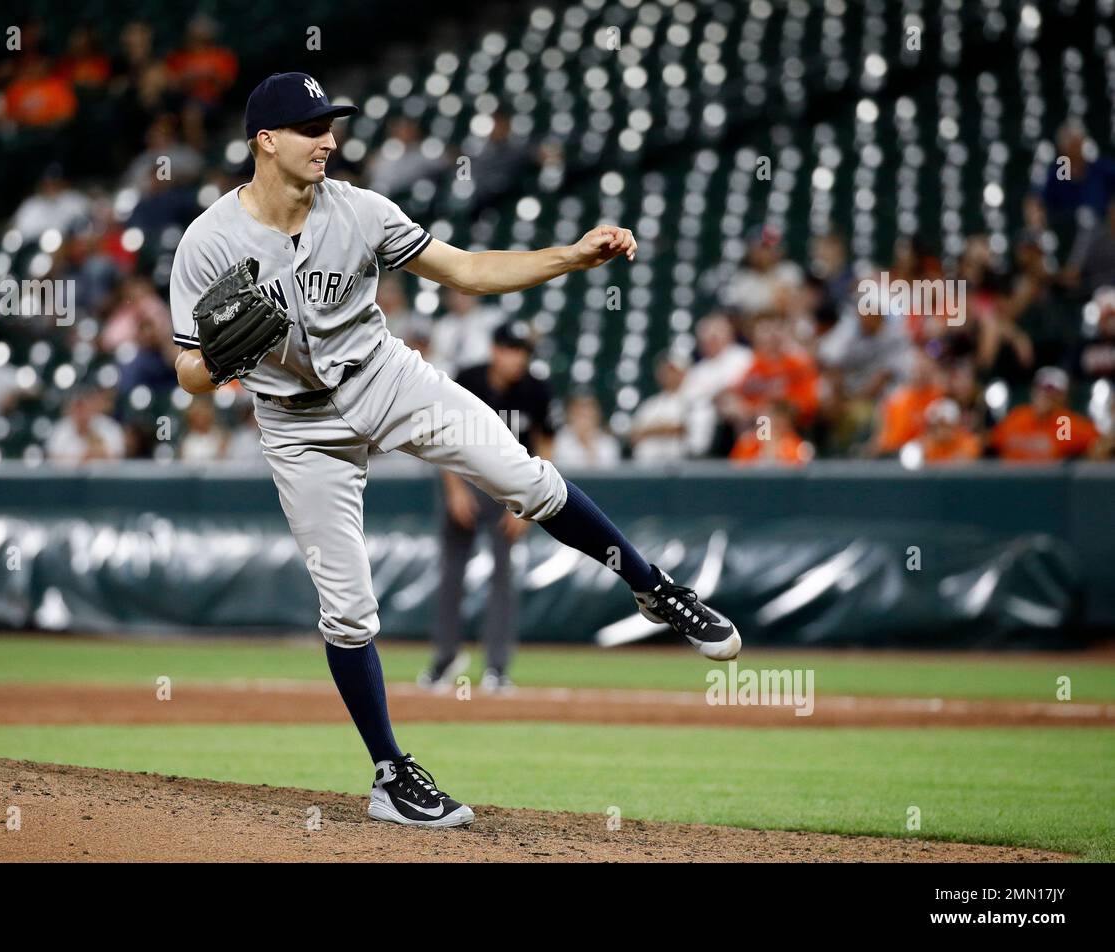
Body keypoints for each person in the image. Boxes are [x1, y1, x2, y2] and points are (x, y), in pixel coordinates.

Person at [168, 72, 741, 830]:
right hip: (296, 421)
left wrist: (568, 258)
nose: (330, 140)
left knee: (522, 476)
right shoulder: (208, 241)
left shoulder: (363, 210)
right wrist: (226, 356)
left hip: (384, 375)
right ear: (265, 141)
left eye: (332, 126)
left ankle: (651, 585)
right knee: (347, 610)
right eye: (313, 129)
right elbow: (187, 372)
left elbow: (466, 267)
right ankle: (390, 774)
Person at [420, 320, 554, 695]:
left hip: (510, 491)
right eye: (511, 350)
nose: (517, 359)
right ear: (495, 350)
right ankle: (446, 659)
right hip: (464, 480)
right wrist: (454, 491)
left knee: (504, 581)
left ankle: (497, 668)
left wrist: (533, 502)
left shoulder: (536, 388)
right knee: (450, 575)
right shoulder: (468, 378)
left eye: (523, 352)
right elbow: (441, 435)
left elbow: (546, 443)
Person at [988, 367, 1099, 462]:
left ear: (1063, 397)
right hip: (1009, 483)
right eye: (1040, 388)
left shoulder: (1065, 423)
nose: (1044, 394)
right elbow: (990, 442)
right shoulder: (1017, 417)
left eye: (1051, 390)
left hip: (1048, 484)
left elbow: (1099, 444)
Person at [630, 346, 716, 462]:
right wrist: (666, 429)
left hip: (685, 467)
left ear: (684, 372)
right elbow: (634, 435)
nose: (667, 374)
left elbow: (696, 439)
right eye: (663, 370)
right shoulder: (650, 404)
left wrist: (652, 431)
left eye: (672, 370)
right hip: (647, 469)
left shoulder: (698, 398)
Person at [553, 392, 620, 467]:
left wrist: (588, 444)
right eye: (578, 410)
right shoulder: (558, 440)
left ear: (597, 414)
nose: (584, 413)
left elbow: (608, 473)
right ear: (569, 414)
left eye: (588, 409)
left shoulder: (608, 442)